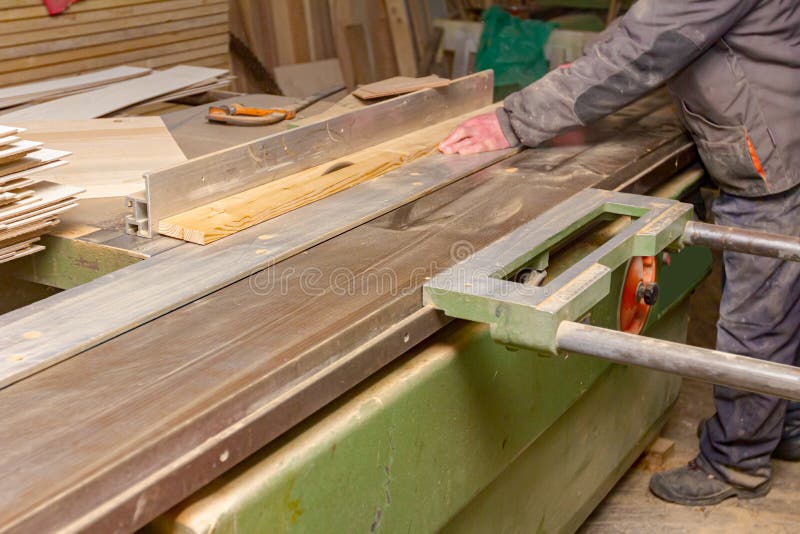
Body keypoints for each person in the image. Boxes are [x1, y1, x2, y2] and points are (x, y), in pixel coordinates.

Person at [439, 1, 800, 506]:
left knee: (756, 317)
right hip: (779, 129)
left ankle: (736, 463)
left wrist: (513, 121)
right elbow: (648, 20)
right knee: (784, 299)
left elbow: (650, 42)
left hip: (772, 151)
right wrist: (587, 65)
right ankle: (785, 425)